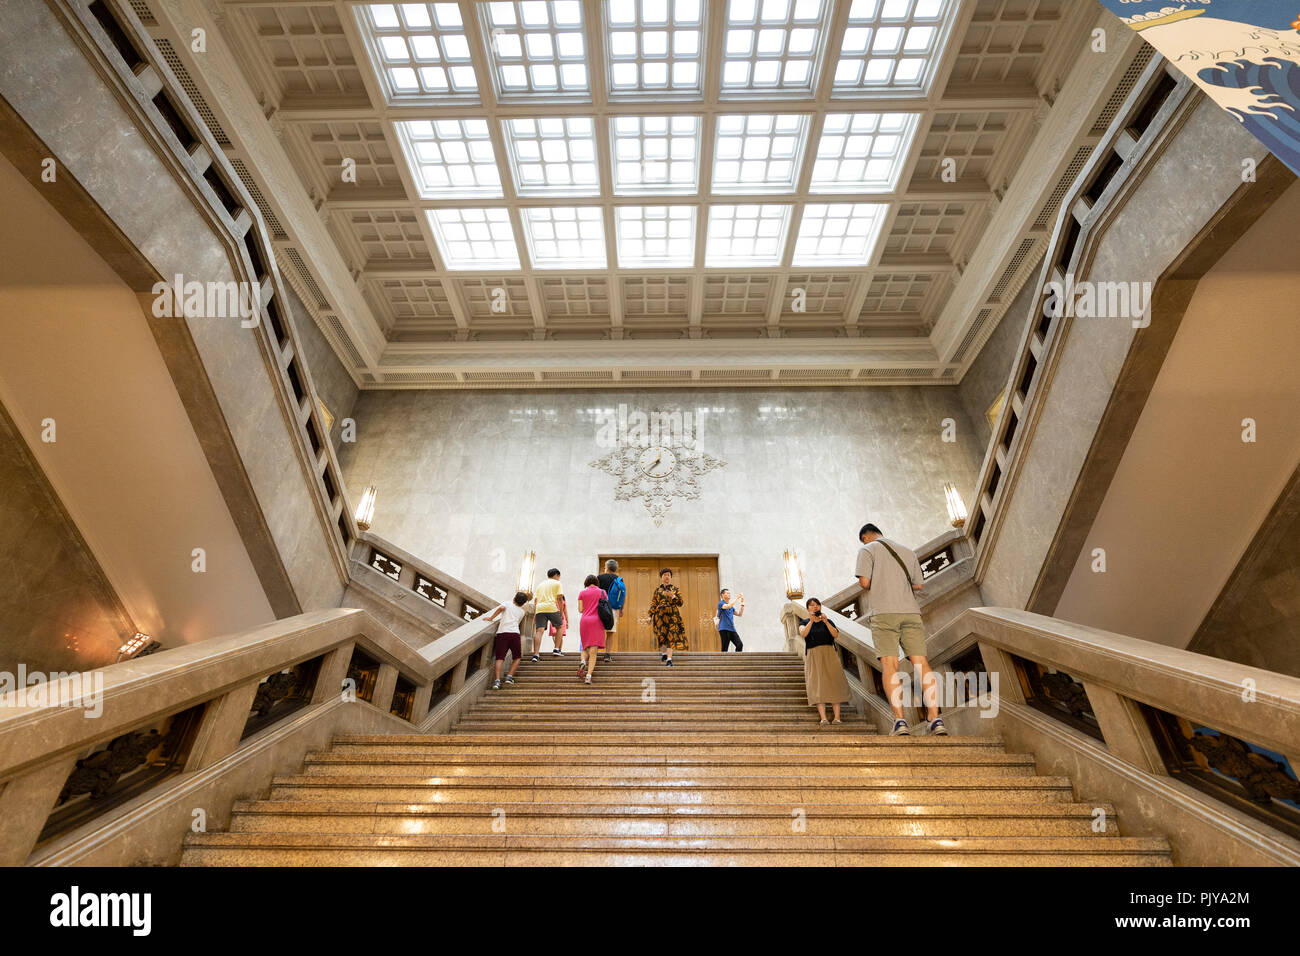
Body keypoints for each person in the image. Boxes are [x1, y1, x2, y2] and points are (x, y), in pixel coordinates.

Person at [855, 522, 947, 736]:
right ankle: (935, 717)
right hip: (910, 612)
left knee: (890, 665)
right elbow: (919, 585)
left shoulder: (867, 549)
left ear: (866, 537)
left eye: (863, 539)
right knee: (922, 664)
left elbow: (864, 582)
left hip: (884, 613)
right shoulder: (907, 551)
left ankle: (900, 721)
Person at [797, 598, 849, 725]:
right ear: (808, 608)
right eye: (811, 605)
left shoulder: (828, 621)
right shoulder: (804, 622)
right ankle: (823, 718)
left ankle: (837, 717)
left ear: (820, 607)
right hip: (813, 655)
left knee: (834, 684)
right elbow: (803, 634)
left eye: (817, 605)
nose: (815, 607)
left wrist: (825, 622)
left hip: (829, 653)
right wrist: (811, 620)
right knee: (817, 685)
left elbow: (835, 635)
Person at [482, 591, 529, 690]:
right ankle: (509, 677)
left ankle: (497, 681)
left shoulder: (507, 603)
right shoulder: (522, 612)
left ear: (514, 598)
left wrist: (491, 618)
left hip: (502, 633)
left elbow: (501, 608)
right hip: (515, 634)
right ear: (523, 603)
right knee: (517, 657)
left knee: (500, 658)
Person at [648, 567, 687, 665]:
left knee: (671, 636)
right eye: (665, 575)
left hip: (672, 615)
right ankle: (664, 653)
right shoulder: (657, 590)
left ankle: (669, 659)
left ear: (671, 577)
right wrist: (650, 616)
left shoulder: (675, 589)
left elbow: (681, 603)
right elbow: (654, 603)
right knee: (661, 636)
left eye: (668, 575)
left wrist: (673, 596)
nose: (667, 577)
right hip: (659, 616)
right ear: (661, 577)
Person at [575, 574, 608, 684]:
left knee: (585, 646)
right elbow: (605, 606)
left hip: (585, 621)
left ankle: (583, 660)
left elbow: (580, 610)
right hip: (597, 621)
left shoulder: (582, 593)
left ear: (586, 583)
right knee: (593, 651)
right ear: (597, 582)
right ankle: (588, 676)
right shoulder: (602, 592)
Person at [531, 568, 567, 662]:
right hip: (551, 607)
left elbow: (536, 600)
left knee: (539, 631)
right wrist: (561, 612)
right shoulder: (557, 583)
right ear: (556, 575)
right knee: (560, 627)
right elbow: (560, 599)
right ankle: (556, 649)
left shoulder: (540, 584)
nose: (559, 578)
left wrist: (535, 613)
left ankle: (536, 654)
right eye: (558, 576)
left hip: (539, 608)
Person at [595, 559, 626, 664]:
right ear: (616, 569)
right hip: (612, 608)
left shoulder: (599, 578)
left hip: (599, 607)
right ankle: (607, 654)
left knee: (597, 630)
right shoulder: (619, 579)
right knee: (610, 631)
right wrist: (621, 609)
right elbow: (623, 595)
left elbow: (595, 593)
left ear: (606, 567)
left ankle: (593, 652)